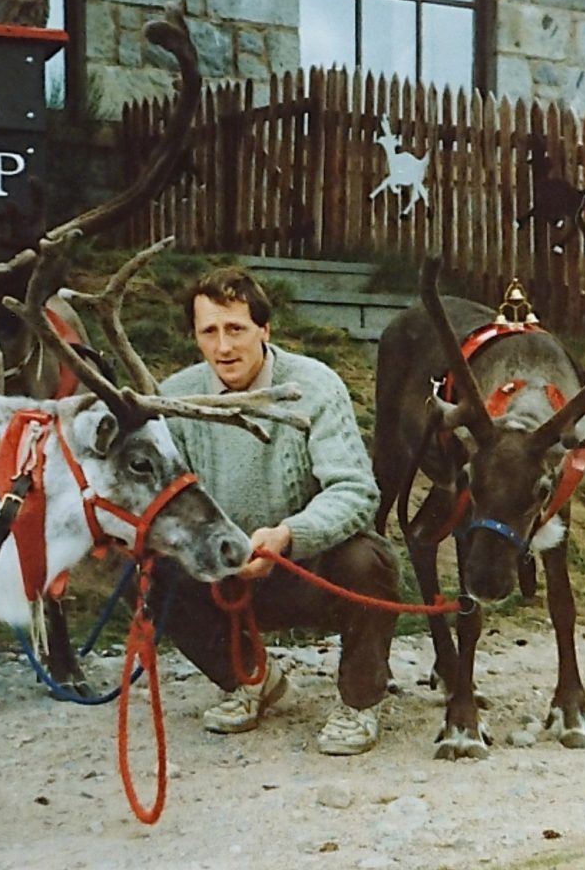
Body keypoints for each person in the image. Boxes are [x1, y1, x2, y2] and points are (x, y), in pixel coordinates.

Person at [152, 265, 401, 756]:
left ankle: (359, 701)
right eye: (209, 332)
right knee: (147, 569)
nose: (224, 347)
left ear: (264, 329)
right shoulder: (175, 397)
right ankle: (250, 679)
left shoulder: (315, 385)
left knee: (369, 561)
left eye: (236, 329)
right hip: (224, 569)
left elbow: (355, 490)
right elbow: (161, 498)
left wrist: (287, 535)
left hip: (304, 566)